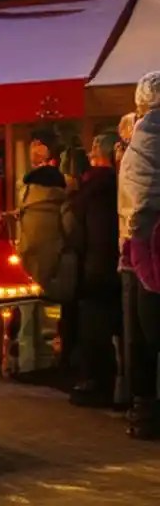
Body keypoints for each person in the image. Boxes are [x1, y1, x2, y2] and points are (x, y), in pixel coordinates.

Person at [118, 72, 160, 439]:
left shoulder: (144, 137)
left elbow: (139, 202)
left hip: (145, 253)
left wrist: (131, 244)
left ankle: (145, 412)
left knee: (145, 337)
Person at [13, 129, 76, 372]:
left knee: (28, 318)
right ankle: (48, 362)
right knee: (53, 317)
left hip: (29, 261)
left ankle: (29, 365)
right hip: (56, 264)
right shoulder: (65, 194)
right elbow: (69, 229)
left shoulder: (27, 194)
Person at [67, 132, 122, 407]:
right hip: (119, 266)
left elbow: (80, 232)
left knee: (93, 329)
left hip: (95, 269)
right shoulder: (120, 185)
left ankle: (94, 383)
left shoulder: (93, 188)